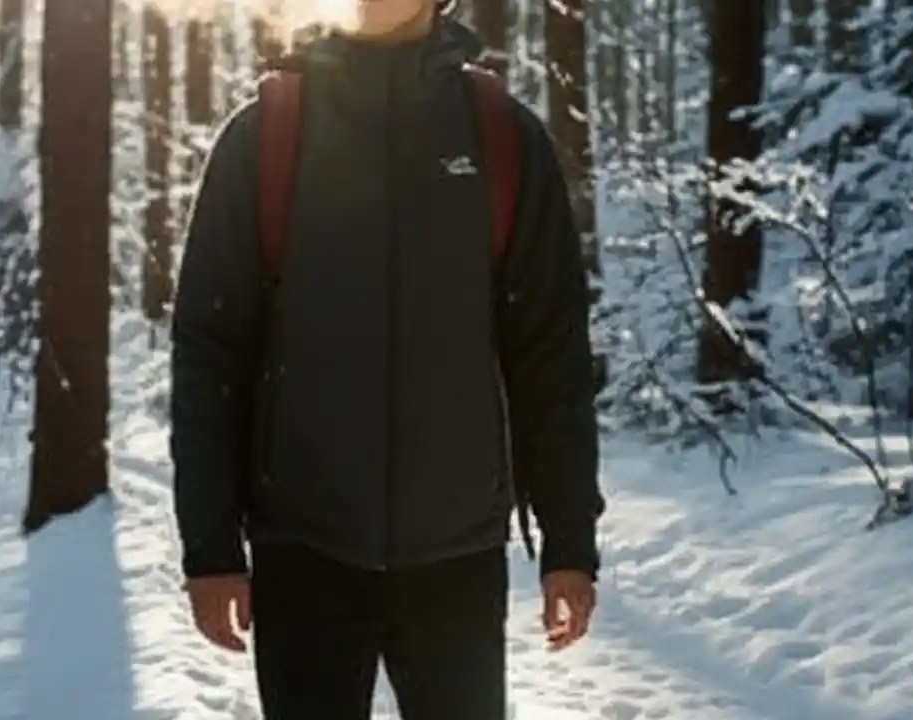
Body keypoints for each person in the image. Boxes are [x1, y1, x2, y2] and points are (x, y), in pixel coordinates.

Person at [170, 0, 605, 717]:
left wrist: (569, 544)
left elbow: (550, 356)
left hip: (457, 559)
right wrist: (210, 549)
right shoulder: (267, 137)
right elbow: (211, 356)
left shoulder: (500, 136)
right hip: (303, 549)